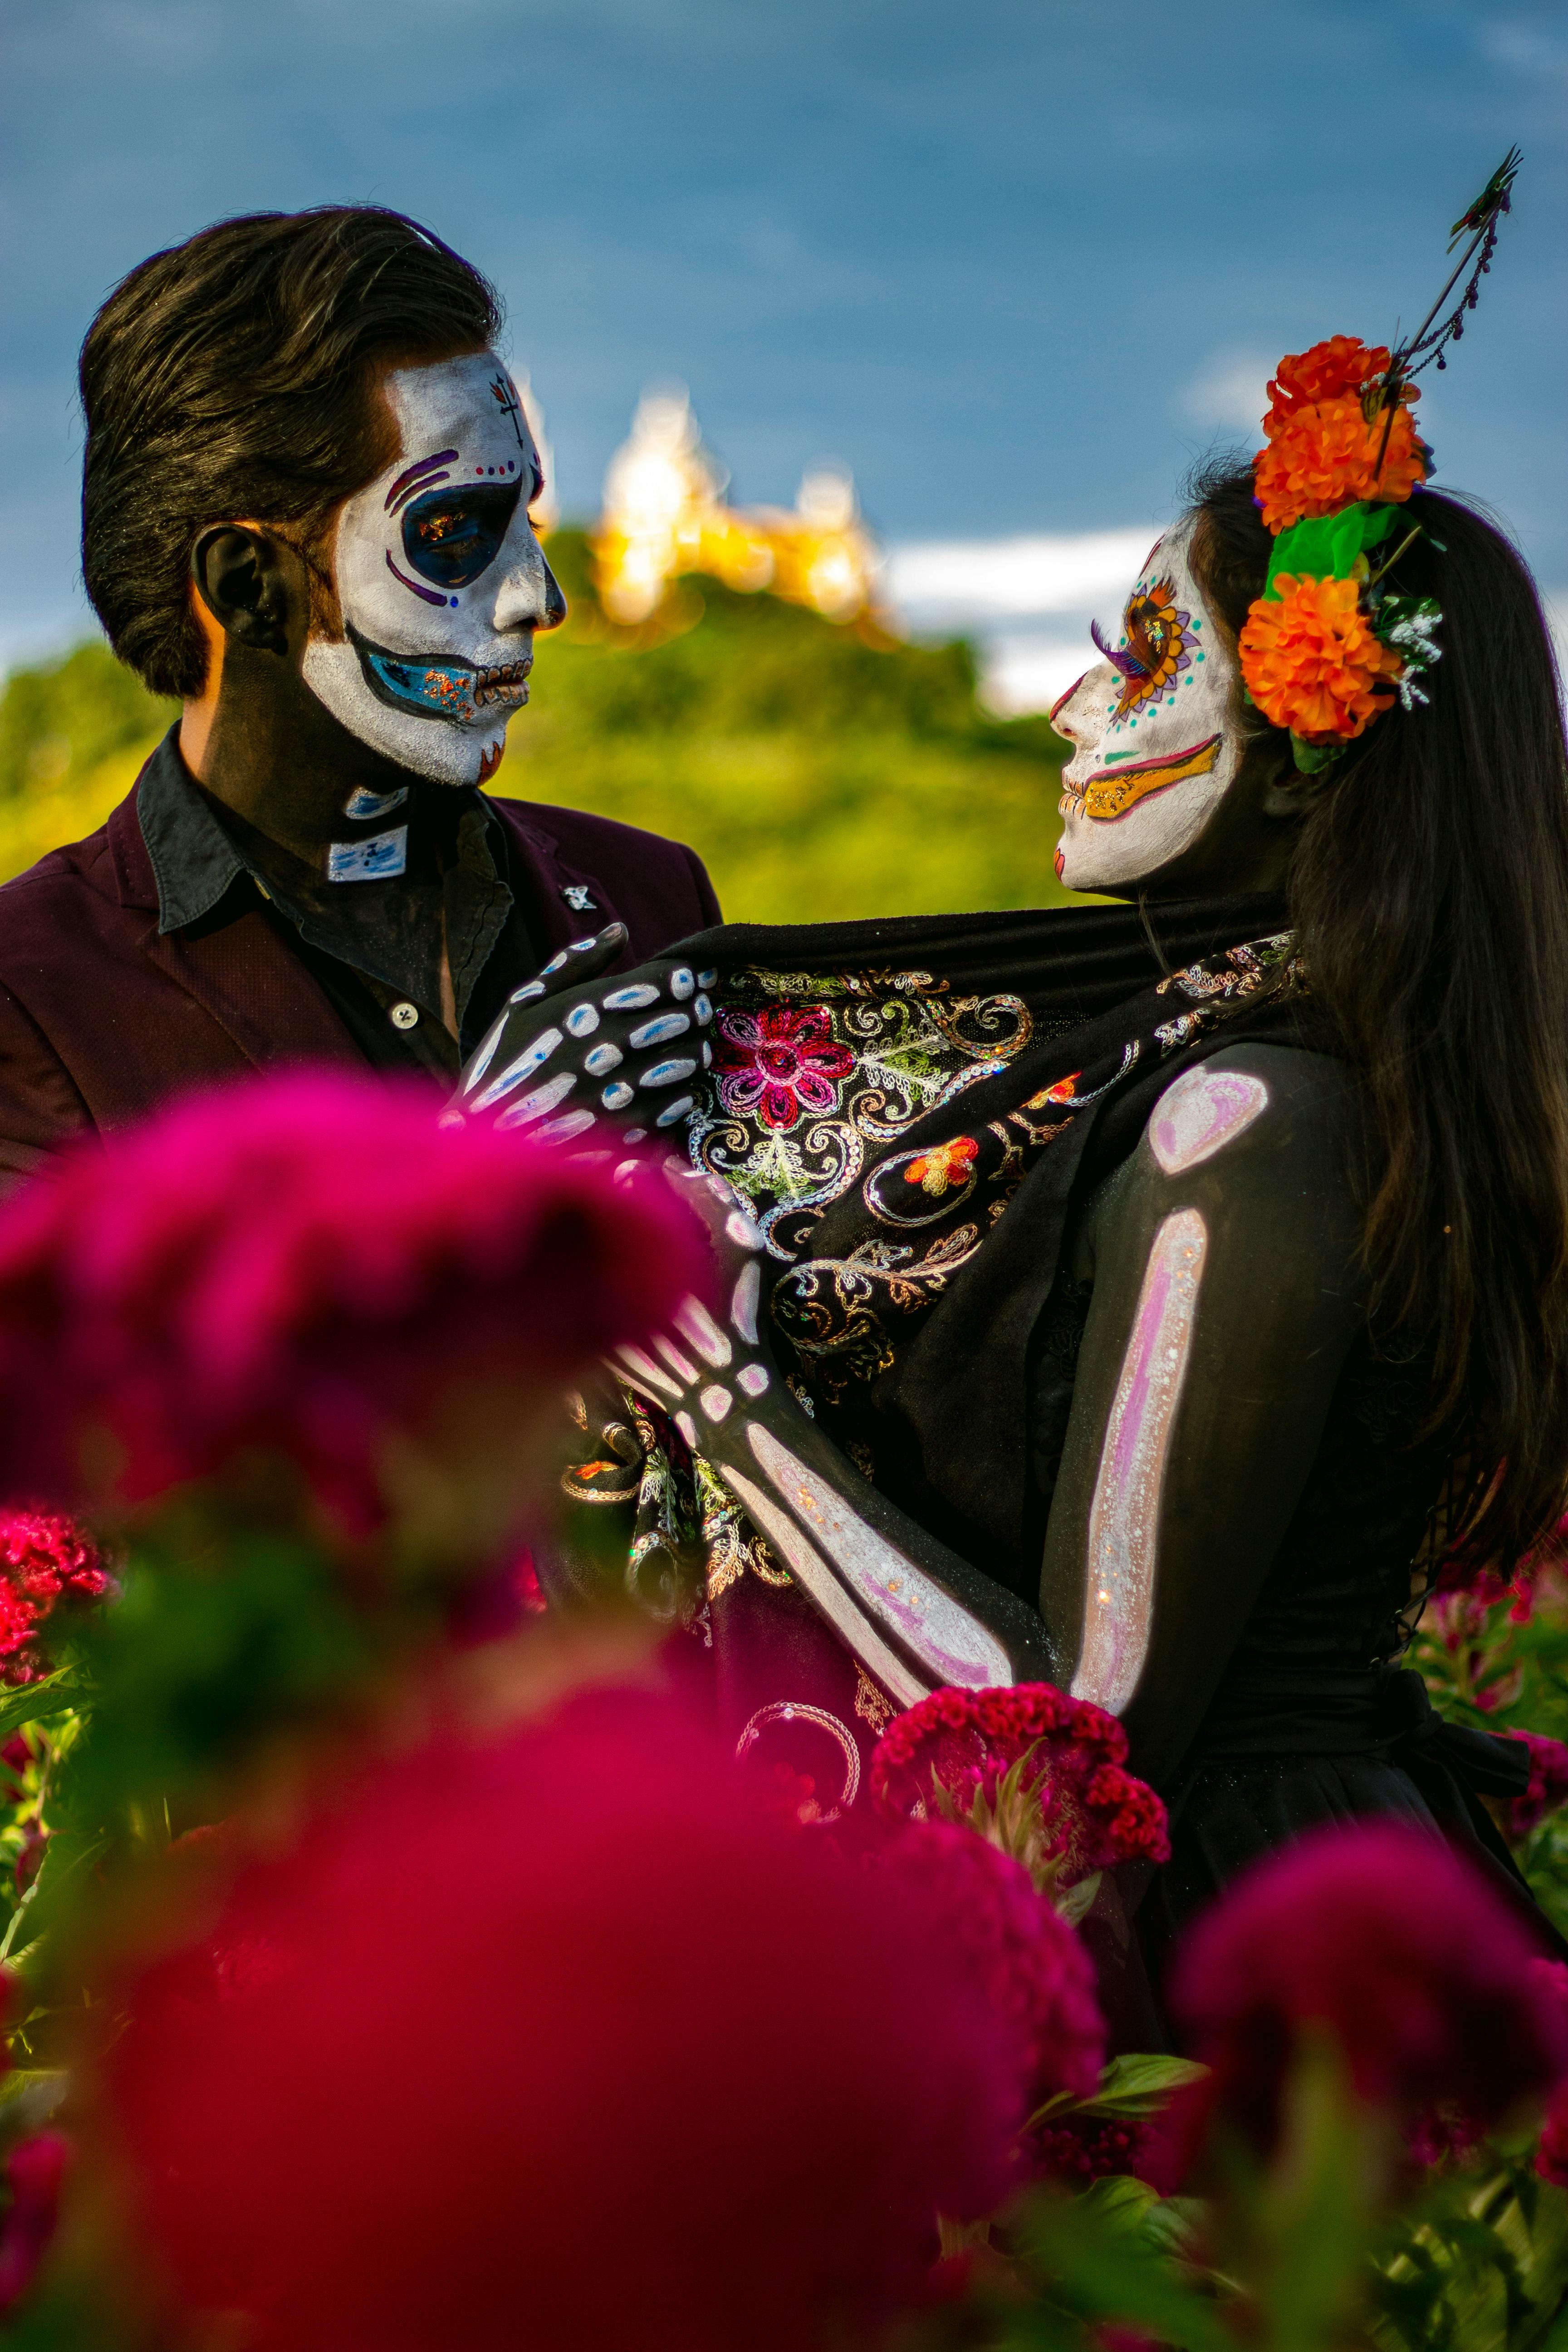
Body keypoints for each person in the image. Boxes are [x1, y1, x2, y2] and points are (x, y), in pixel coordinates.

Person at [456, 162, 1568, 1978]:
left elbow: (1078, 1779)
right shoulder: (1257, 1058)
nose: (1073, 710)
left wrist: (725, 1375)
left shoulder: (1250, 1114)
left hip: (1227, 1966)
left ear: (1302, 753)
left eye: (1146, 659)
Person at [0, 206, 719, 1181]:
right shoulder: (34, 997)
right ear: (251, 589)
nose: (539, 600)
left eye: (527, 524)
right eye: (453, 531)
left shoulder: (649, 896)